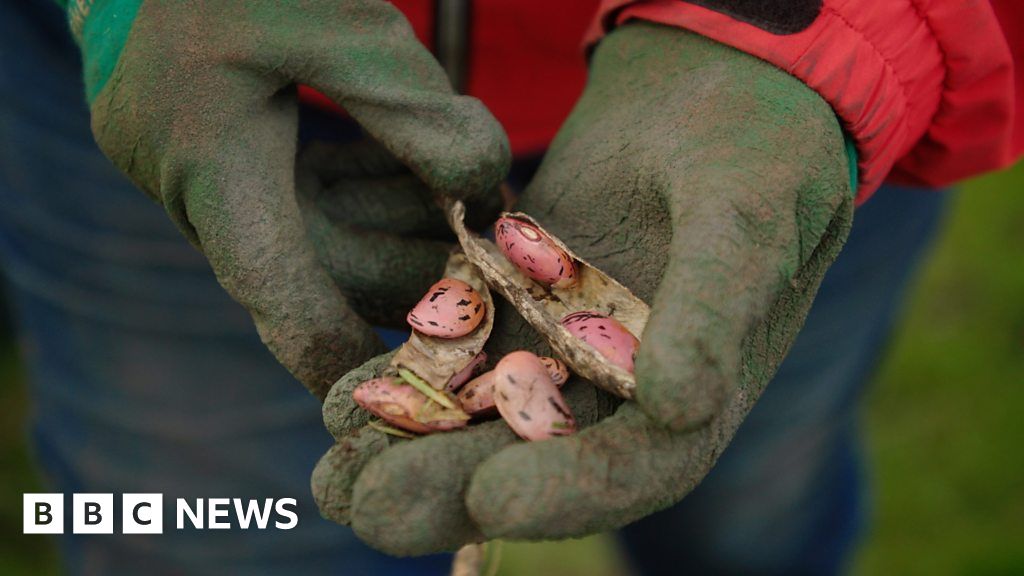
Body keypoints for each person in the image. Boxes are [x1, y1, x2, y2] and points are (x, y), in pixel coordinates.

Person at [0, 0, 1019, 574]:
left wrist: (847, 26)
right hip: (208, 81)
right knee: (190, 532)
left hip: (781, 101)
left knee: (752, 508)